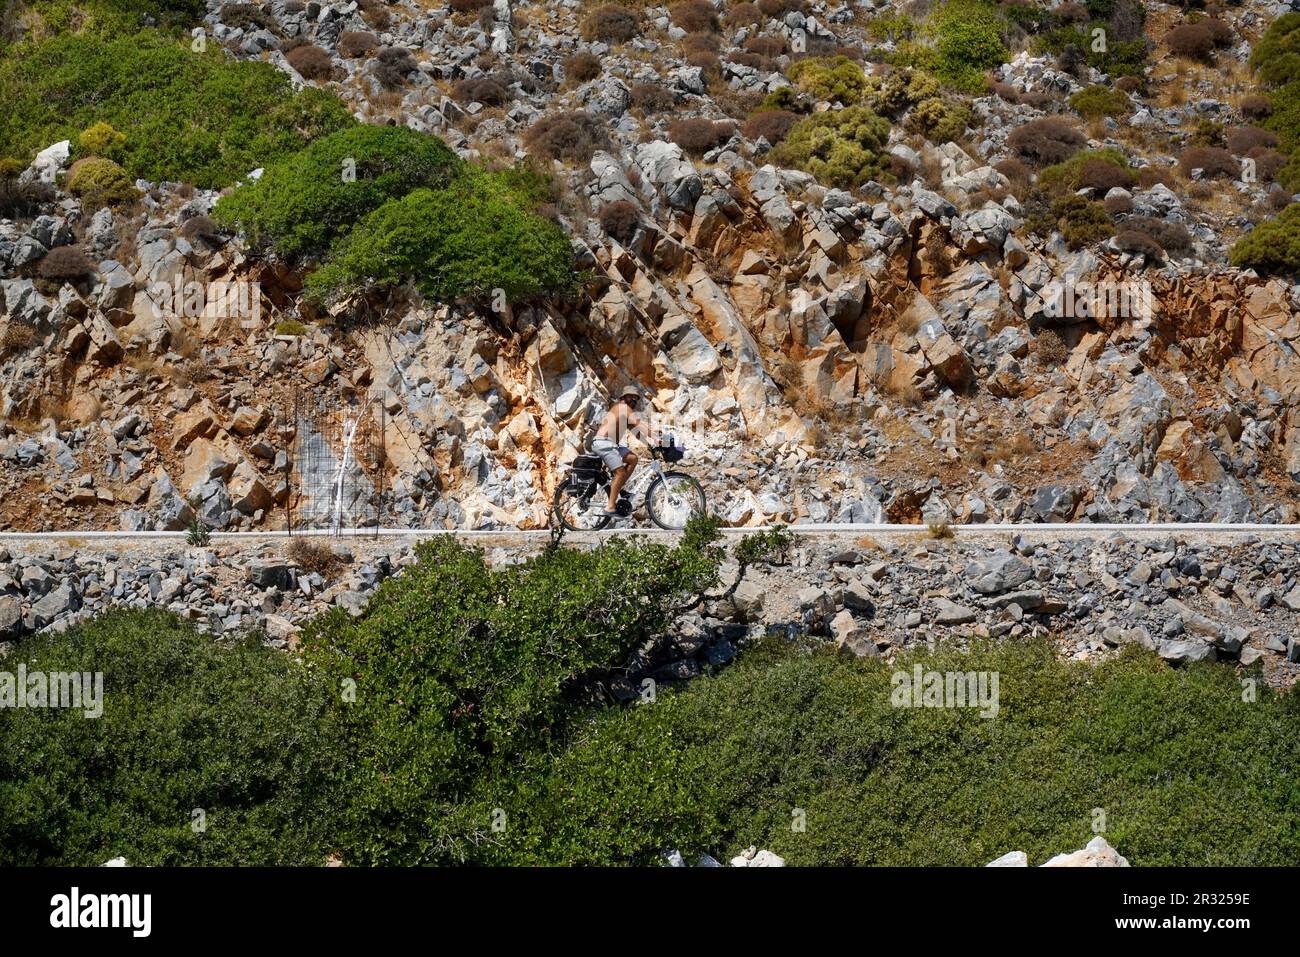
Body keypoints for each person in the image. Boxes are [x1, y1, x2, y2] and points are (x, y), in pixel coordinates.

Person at [591, 386, 646, 517]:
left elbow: (638, 433)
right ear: (623, 397)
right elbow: (640, 424)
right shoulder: (622, 407)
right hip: (603, 443)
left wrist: (653, 444)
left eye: (635, 398)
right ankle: (610, 507)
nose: (633, 399)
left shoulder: (625, 413)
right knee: (620, 473)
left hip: (612, 444)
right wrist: (658, 437)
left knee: (632, 459)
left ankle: (619, 488)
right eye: (630, 396)